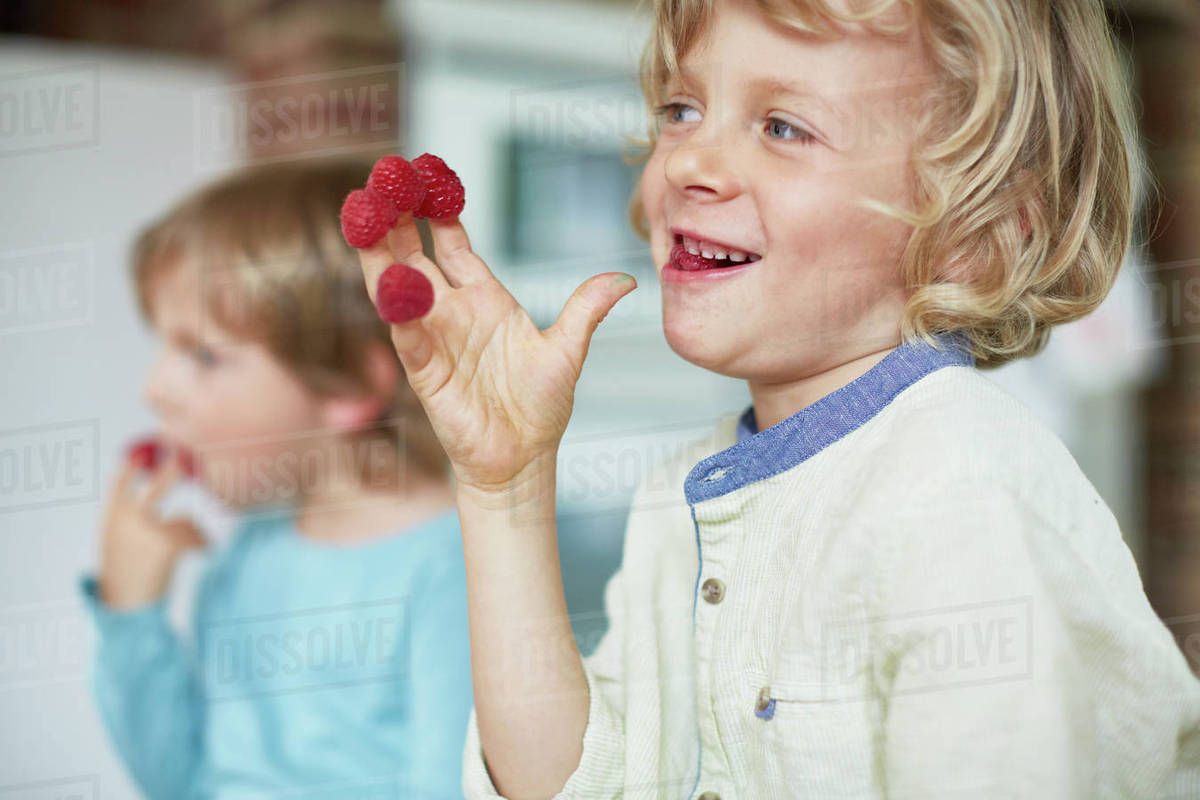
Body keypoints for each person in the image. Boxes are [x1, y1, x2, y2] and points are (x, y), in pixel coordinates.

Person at [353, 0, 1200, 797]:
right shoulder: (677, 496)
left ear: (973, 238)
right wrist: (506, 487)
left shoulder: (964, 498)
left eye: (783, 126)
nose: (686, 160)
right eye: (681, 110)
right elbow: (583, 784)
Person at [81, 158, 472, 800]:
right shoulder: (250, 549)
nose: (155, 390)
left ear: (348, 384)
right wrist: (131, 614)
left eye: (203, 355)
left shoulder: (449, 568)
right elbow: (177, 781)